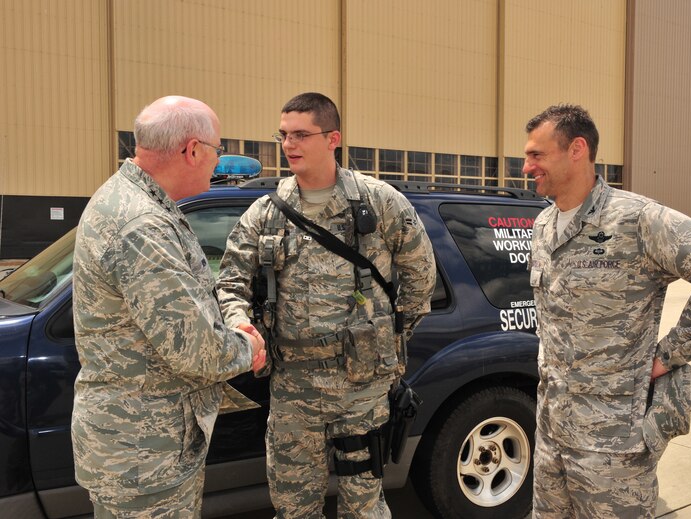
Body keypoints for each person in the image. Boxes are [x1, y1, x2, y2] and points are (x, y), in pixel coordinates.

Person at [523, 104, 691, 518]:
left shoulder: (638, 220)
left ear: (577, 149)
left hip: (613, 445)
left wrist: (669, 354)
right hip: (551, 434)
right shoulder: (543, 226)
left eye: (537, 155)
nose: (526, 167)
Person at [217, 92, 436, 518]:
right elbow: (231, 283)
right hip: (292, 388)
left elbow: (420, 277)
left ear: (333, 137)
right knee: (294, 507)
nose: (289, 145)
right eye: (283, 135)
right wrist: (240, 323)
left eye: (301, 134)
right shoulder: (266, 213)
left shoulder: (378, 202)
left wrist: (387, 339)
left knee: (364, 506)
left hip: (362, 386)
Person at [72, 95, 266, 517]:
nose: (217, 162)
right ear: (193, 150)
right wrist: (248, 347)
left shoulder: (136, 202)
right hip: (143, 456)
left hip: (145, 447)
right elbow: (196, 351)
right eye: (217, 150)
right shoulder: (141, 225)